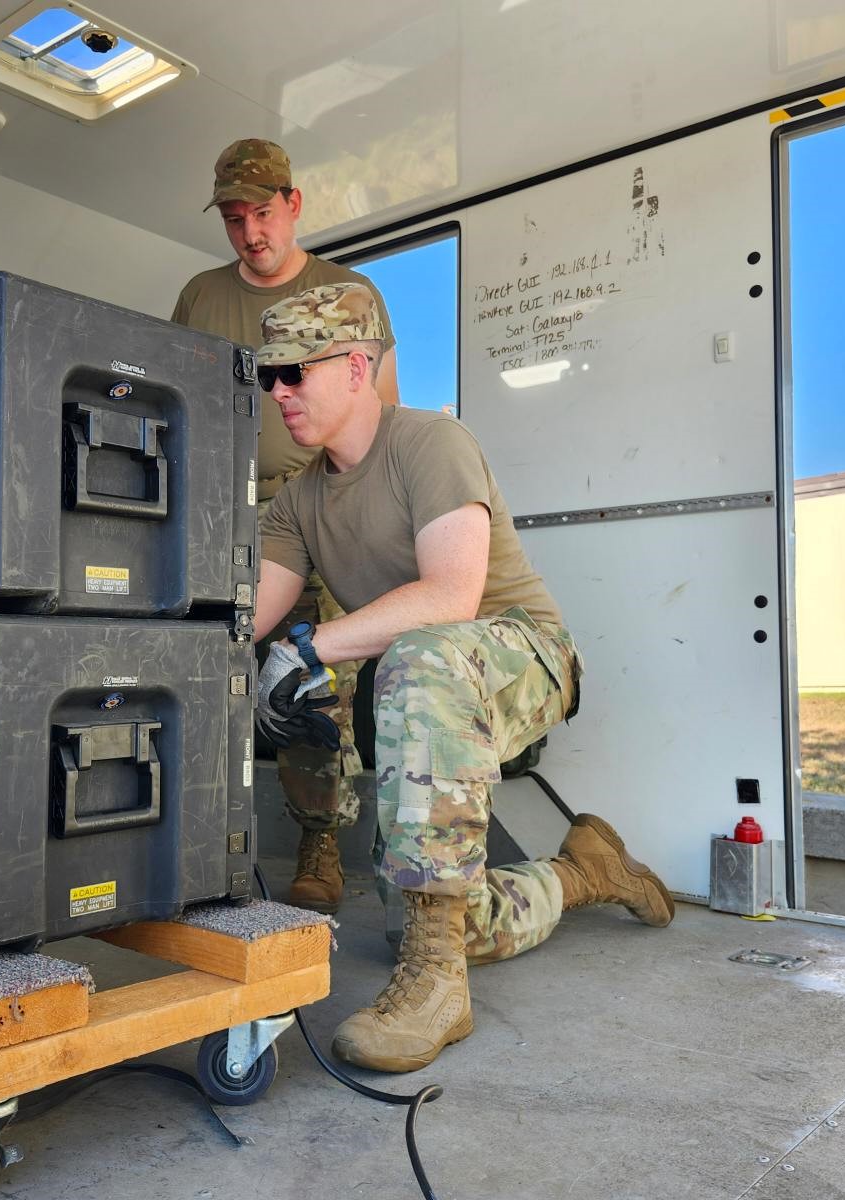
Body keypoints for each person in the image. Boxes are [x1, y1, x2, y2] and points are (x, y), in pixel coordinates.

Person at [250, 282, 676, 1074]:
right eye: (266, 375)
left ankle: (437, 987)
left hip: (524, 658)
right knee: (438, 915)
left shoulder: (429, 443)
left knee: (419, 656)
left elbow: (451, 596)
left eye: (293, 372)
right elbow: (247, 616)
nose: (277, 391)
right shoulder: (296, 502)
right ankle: (584, 873)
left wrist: (307, 649)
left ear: (355, 367)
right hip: (429, 685)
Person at [171, 138, 399, 914]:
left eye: (262, 214)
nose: (251, 233)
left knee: (310, 683)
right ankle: (196, 840)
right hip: (219, 518)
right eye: (234, 220)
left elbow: (381, 418)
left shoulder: (348, 293)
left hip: (317, 513)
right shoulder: (200, 297)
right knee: (205, 668)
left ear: (293, 203)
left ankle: (319, 846)